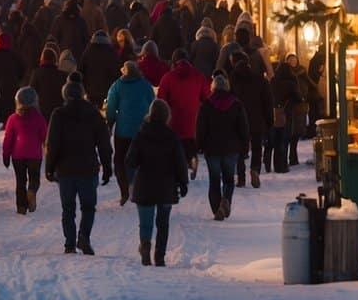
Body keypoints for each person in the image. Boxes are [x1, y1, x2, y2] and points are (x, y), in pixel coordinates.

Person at [45, 76, 112, 255]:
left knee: (68, 208)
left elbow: (52, 145)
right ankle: (84, 236)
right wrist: (107, 166)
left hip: (65, 169)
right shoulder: (93, 114)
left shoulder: (58, 115)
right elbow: (104, 143)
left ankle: (69, 243)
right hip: (88, 168)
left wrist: (49, 167)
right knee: (88, 206)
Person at [125, 99, 188, 267]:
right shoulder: (172, 137)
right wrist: (183, 182)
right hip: (166, 187)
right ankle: (159, 256)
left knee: (145, 222)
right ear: (167, 115)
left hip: (144, 185)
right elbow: (180, 162)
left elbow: (130, 160)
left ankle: (145, 245)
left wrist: (130, 179)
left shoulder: (141, 135)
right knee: (163, 223)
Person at [196, 74, 250, 220]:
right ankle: (225, 199)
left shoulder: (206, 104)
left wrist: (199, 145)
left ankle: (216, 209)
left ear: (212, 87)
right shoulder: (236, 104)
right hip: (231, 148)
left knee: (214, 179)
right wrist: (245, 146)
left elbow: (200, 128)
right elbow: (243, 128)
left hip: (212, 148)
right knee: (229, 179)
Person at [106, 61, 155, 206]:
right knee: (141, 161)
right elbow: (153, 104)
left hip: (123, 131)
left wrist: (110, 123)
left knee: (120, 161)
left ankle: (124, 190)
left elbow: (110, 108)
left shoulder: (117, 86)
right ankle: (136, 184)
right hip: (142, 131)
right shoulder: (146, 85)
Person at [157, 49, 208, 179]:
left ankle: (180, 169)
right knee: (190, 145)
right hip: (193, 120)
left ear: (174, 62)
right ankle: (192, 159)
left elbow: (161, 100)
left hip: (174, 121)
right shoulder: (199, 76)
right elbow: (207, 97)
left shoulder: (167, 78)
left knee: (176, 149)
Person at [229, 51, 272, 188]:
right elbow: (267, 102)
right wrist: (269, 121)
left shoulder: (231, 80)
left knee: (240, 149)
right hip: (256, 119)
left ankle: (241, 177)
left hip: (237, 120)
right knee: (257, 147)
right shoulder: (259, 79)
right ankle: (255, 169)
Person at [3, 87, 48, 215]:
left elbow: (8, 139)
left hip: (18, 154)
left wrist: (6, 155)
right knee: (34, 177)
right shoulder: (39, 118)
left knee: (20, 180)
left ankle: (21, 207)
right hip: (34, 154)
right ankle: (32, 191)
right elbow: (44, 136)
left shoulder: (13, 119)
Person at [80, 29, 119, 109]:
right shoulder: (110, 51)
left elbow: (81, 69)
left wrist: (85, 86)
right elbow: (116, 70)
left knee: (92, 111)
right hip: (107, 90)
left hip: (91, 90)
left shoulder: (88, 51)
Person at [29, 47, 67, 120]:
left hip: (42, 112)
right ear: (55, 59)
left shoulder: (37, 73)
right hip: (58, 111)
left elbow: (32, 92)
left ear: (42, 59)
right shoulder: (62, 75)